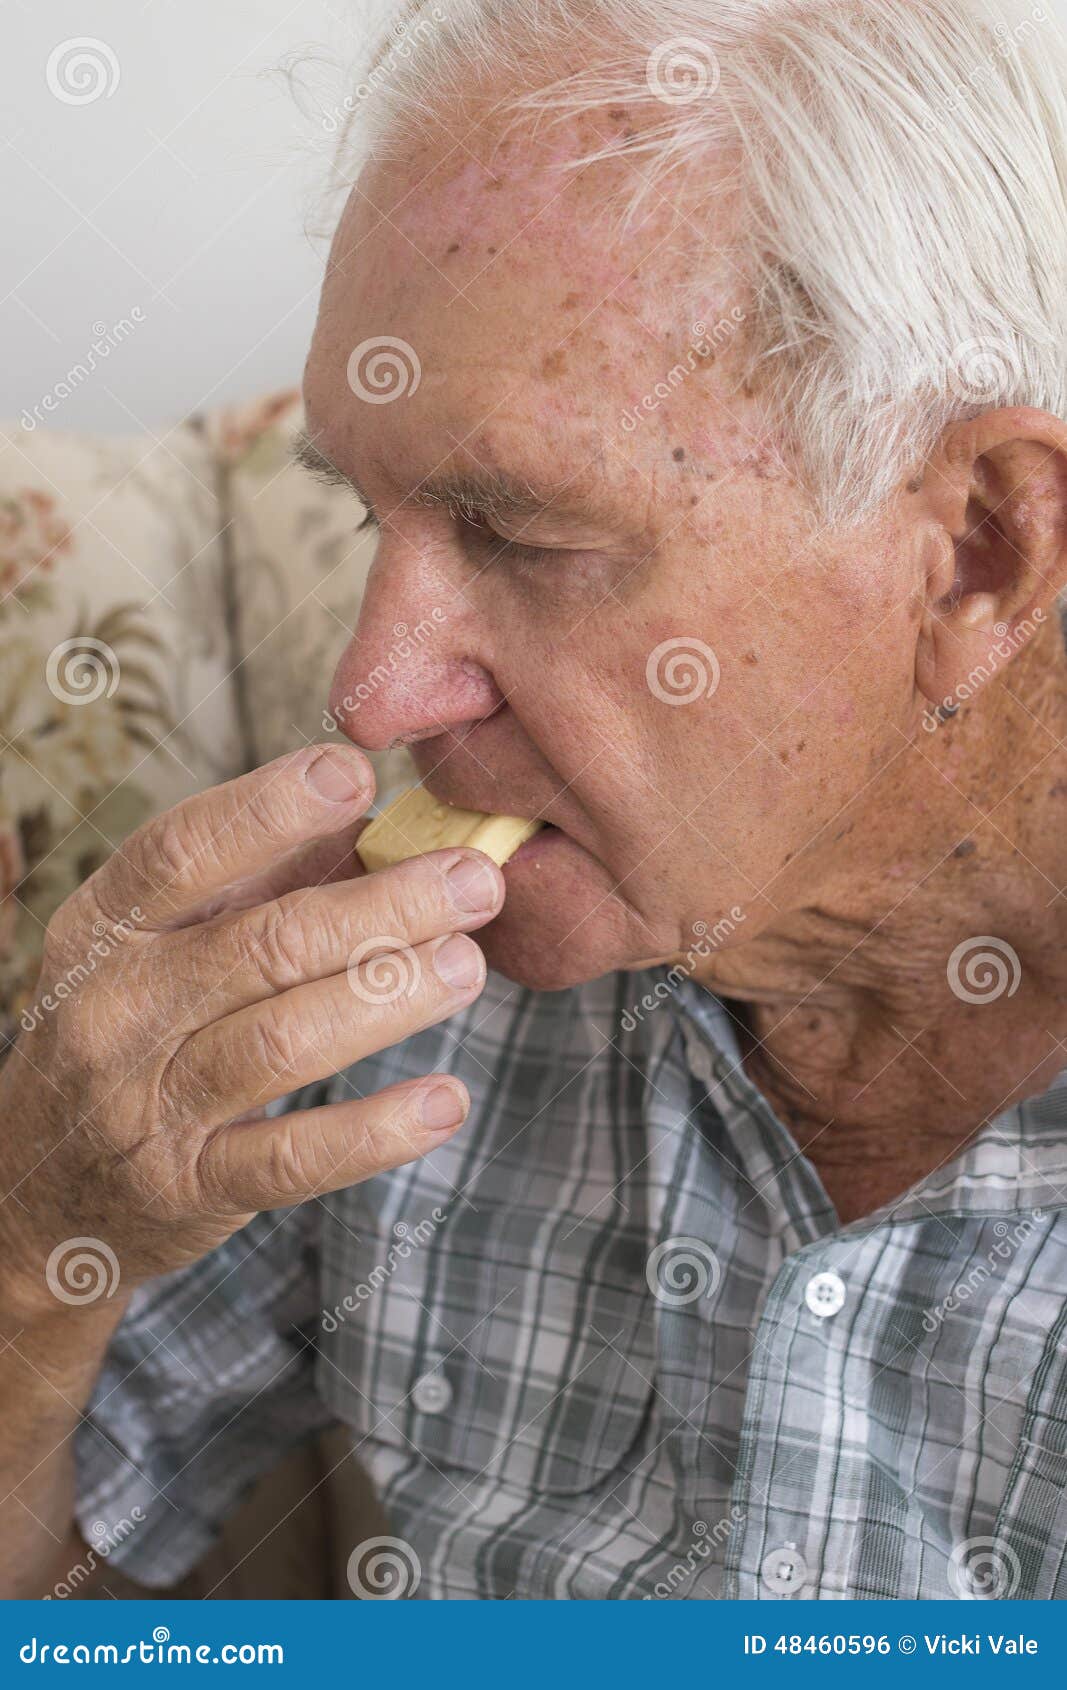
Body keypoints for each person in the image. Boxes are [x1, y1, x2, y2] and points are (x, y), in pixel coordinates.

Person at [3, 0, 1067, 1600]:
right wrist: (28, 1254)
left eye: (519, 536)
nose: (369, 697)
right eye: (374, 519)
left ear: (978, 547)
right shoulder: (390, 990)